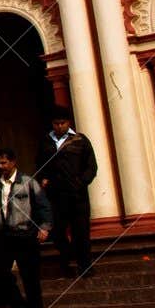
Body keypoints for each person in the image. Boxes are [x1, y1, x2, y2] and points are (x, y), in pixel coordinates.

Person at [0, 147, 51, 308]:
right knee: (0, 273)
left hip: (25, 234)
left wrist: (44, 227)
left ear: (13, 162)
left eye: (4, 162)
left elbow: (43, 205)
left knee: (30, 275)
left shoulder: (28, 182)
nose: (1, 166)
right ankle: (19, 305)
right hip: (4, 235)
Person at [34, 108, 97, 277]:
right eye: (56, 123)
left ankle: (85, 265)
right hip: (55, 195)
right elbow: (39, 165)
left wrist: (81, 182)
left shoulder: (80, 141)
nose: (60, 126)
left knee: (81, 231)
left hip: (77, 195)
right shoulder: (46, 142)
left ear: (68, 123)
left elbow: (91, 166)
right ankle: (66, 261)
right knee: (57, 231)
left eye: (62, 123)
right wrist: (43, 178)